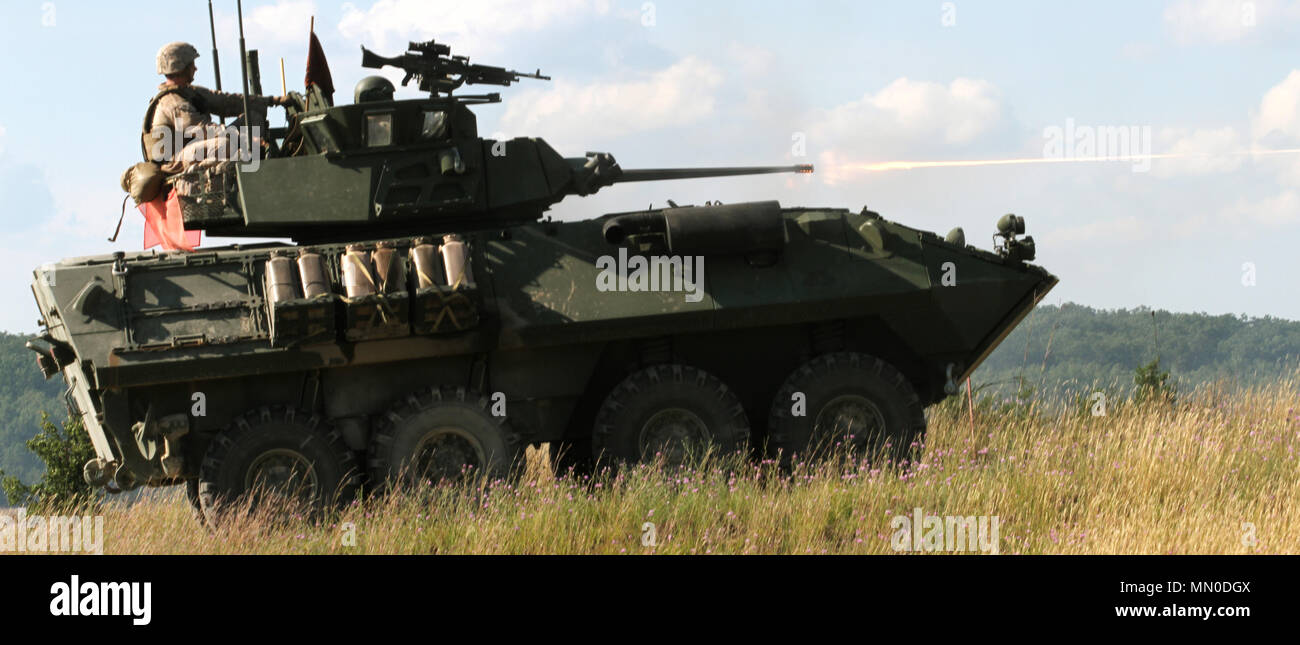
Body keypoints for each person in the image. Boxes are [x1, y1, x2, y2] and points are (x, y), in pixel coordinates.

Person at [144, 42, 289, 195]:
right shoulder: (172, 102)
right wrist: (245, 139)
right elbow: (206, 130)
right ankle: (246, 176)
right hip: (175, 162)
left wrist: (273, 101)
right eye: (192, 64)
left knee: (253, 117)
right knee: (224, 144)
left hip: (193, 149)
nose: (195, 68)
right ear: (181, 66)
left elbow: (227, 101)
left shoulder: (188, 92)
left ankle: (256, 166)